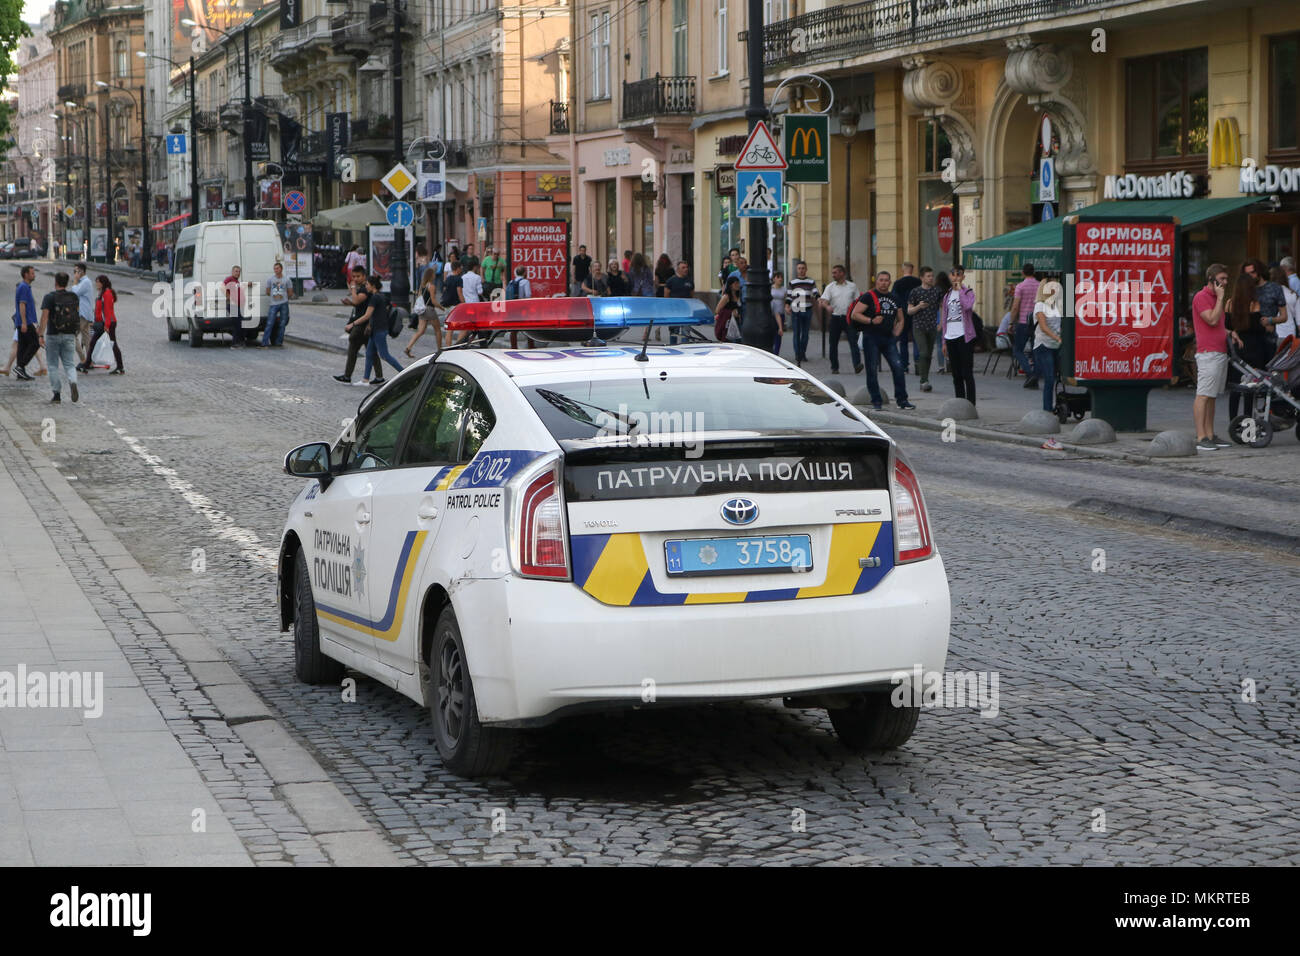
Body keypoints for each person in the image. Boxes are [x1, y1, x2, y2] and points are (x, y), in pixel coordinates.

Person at [1190, 263, 1239, 451]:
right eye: (1222, 279)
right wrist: (1220, 299)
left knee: (1212, 396)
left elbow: (1217, 324)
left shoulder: (1214, 297)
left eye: (1226, 278)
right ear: (1212, 279)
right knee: (1203, 394)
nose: (1226, 282)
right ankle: (1201, 436)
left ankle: (1210, 434)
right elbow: (1210, 319)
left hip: (1219, 351)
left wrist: (1229, 332)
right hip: (1208, 353)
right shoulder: (1202, 297)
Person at [851, 271, 914, 411]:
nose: (884, 282)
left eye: (886, 280)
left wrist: (897, 332)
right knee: (872, 370)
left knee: (898, 367)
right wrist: (871, 321)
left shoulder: (894, 297)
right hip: (871, 337)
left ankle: (902, 400)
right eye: (881, 280)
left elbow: (901, 318)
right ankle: (876, 401)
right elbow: (855, 314)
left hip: (888, 338)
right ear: (876, 281)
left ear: (890, 282)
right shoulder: (869, 296)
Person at [1226, 271, 1269, 423]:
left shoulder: (1230, 303)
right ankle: (1248, 425)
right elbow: (1259, 330)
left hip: (1237, 349)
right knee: (1250, 388)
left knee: (1236, 388)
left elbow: (1227, 327)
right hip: (1254, 349)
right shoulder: (1254, 304)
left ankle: (1233, 423)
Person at [38, 271, 83, 404]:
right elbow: (76, 315)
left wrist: (41, 334)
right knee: (69, 363)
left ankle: (57, 394)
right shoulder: (74, 297)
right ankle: (73, 381)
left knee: (52, 365)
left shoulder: (49, 297)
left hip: (53, 334)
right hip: (69, 334)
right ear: (67, 282)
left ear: (55, 282)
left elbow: (44, 317)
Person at [938, 270, 978, 405]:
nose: (956, 277)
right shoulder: (947, 295)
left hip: (964, 336)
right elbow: (944, 319)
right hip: (950, 336)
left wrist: (960, 290)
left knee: (967, 372)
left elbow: (967, 306)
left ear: (963, 277)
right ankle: (960, 403)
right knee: (956, 374)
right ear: (950, 276)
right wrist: (943, 341)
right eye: (953, 275)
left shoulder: (968, 292)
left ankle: (971, 404)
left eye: (958, 275)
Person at [360, 274, 403, 386]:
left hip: (379, 330)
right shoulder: (382, 296)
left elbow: (367, 315)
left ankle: (403, 373)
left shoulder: (374, 298)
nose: (366, 287)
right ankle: (365, 380)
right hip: (378, 329)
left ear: (373, 285)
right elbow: (386, 309)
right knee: (369, 353)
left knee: (384, 355)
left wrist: (352, 324)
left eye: (367, 284)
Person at [819, 264, 861, 375]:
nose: (833, 275)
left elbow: (858, 300)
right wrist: (827, 306)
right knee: (833, 344)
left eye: (835, 272)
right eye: (833, 273)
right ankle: (834, 367)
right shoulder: (830, 287)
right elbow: (823, 300)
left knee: (853, 342)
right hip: (835, 318)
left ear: (842, 273)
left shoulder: (852, 286)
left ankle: (857, 364)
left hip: (849, 318)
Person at [333, 265, 372, 383]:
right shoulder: (362, 288)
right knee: (371, 351)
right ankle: (378, 376)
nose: (355, 279)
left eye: (358, 276)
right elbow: (357, 304)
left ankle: (347, 375)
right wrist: (349, 303)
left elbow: (357, 300)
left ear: (364, 276)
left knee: (354, 346)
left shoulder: (365, 289)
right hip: (361, 323)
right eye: (353, 276)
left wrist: (353, 289)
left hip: (361, 324)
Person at [907, 266, 943, 392]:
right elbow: (909, 310)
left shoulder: (937, 291)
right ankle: (923, 380)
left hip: (932, 326)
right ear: (922, 278)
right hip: (919, 326)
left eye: (932, 276)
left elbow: (942, 307)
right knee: (923, 352)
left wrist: (941, 322)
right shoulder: (915, 292)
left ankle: (925, 378)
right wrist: (919, 307)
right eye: (928, 276)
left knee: (928, 354)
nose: (931, 278)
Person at [3, 265, 40, 380]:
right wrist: (24, 322)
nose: (34, 275)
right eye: (32, 273)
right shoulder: (24, 287)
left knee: (23, 346)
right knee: (35, 343)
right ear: (26, 275)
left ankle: (21, 372)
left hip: (23, 321)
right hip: (25, 321)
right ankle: (21, 366)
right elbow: (22, 305)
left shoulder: (25, 286)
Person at [1032, 280, 1063, 414]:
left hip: (1056, 345)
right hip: (1043, 344)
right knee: (1049, 378)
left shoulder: (1056, 305)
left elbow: (1058, 325)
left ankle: (1053, 405)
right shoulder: (1040, 305)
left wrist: (1060, 336)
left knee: (1055, 378)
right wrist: (1057, 338)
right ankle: (1047, 410)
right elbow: (1044, 327)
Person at [84, 275, 124, 374]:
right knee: (95, 343)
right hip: (104, 323)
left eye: (98, 282)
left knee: (111, 344)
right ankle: (87, 363)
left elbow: (107, 311)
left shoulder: (106, 294)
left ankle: (120, 367)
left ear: (103, 283)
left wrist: (106, 325)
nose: (96, 284)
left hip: (107, 323)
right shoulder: (103, 293)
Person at [1010, 262, 1040, 386]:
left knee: (1018, 350)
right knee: (1035, 350)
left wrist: (1011, 322)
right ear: (1034, 272)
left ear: (1023, 273)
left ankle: (1029, 373)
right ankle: (1036, 375)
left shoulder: (1020, 286)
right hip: (1037, 322)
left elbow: (1016, 306)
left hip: (1023, 322)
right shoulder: (1040, 286)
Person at [786, 261, 819, 367]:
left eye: (803, 268)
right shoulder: (792, 282)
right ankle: (797, 354)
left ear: (806, 269)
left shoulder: (811, 281)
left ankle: (803, 353)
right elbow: (789, 296)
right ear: (797, 269)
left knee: (805, 334)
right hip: (796, 310)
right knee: (796, 334)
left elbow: (815, 291)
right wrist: (787, 306)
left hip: (807, 309)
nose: (801, 270)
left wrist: (819, 298)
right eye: (799, 268)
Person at [891, 262, 922, 373]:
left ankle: (904, 365)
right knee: (916, 339)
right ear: (912, 270)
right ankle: (918, 362)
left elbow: (893, 299)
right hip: (916, 313)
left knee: (903, 340)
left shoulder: (898, 283)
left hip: (902, 314)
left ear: (903, 269)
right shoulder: (918, 282)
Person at [406, 264, 441, 358]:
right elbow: (433, 300)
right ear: (431, 276)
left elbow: (419, 298)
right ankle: (440, 350)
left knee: (420, 331)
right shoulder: (432, 286)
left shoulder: (422, 286)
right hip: (430, 310)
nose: (435, 276)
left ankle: (408, 347)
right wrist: (441, 307)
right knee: (438, 330)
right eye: (433, 274)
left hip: (422, 310)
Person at [664, 260, 694, 345]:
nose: (686, 269)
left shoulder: (690, 281)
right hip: (674, 311)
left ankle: (685, 348)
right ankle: (673, 348)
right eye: (683, 268)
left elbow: (691, 294)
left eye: (687, 267)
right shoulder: (671, 281)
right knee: (674, 332)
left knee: (686, 332)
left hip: (686, 311)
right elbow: (666, 295)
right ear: (678, 269)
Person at [70, 262, 95, 368]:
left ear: (82, 272)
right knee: (86, 337)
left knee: (73, 335)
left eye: (76, 271)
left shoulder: (85, 282)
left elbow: (74, 293)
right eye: (74, 271)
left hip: (83, 313)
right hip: (85, 313)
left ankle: (84, 359)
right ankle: (90, 361)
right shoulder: (84, 282)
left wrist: (75, 282)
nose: (75, 273)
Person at [222, 265, 247, 348]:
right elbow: (222, 287)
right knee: (237, 325)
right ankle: (234, 343)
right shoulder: (229, 279)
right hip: (232, 305)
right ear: (232, 272)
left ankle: (240, 342)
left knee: (239, 324)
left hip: (237, 306)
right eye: (236, 271)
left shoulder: (237, 281)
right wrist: (229, 297)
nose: (238, 273)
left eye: (239, 271)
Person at [714, 274, 743, 342]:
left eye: (738, 283)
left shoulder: (739, 295)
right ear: (730, 285)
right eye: (735, 283)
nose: (738, 285)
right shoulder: (726, 297)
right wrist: (731, 312)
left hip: (737, 322)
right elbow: (717, 310)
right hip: (728, 324)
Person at [1274, 265, 1298, 341]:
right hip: (1290, 331)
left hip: (1276, 331)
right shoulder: (1293, 294)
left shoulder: (1271, 293)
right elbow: (1296, 315)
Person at [770, 272, 787, 355]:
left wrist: (785, 309)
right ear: (774, 279)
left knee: (779, 335)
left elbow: (784, 301)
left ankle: (776, 353)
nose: (780, 279)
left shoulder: (784, 289)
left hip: (781, 313)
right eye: (778, 277)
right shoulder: (770, 288)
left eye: (781, 277)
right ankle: (772, 352)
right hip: (772, 314)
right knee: (772, 334)